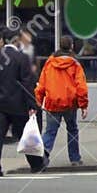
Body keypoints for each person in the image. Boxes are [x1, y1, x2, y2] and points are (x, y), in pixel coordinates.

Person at [0, 31, 38, 178]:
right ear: (17, 41)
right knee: (24, 135)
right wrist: (32, 105)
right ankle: (36, 164)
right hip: (18, 104)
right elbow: (27, 83)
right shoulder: (22, 58)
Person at [35, 36, 89, 168]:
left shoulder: (49, 62)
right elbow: (81, 86)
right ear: (71, 46)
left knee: (50, 131)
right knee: (72, 130)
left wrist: (38, 100)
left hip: (52, 102)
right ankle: (75, 158)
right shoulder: (75, 64)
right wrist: (83, 105)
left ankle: (42, 156)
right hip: (70, 102)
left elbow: (42, 84)